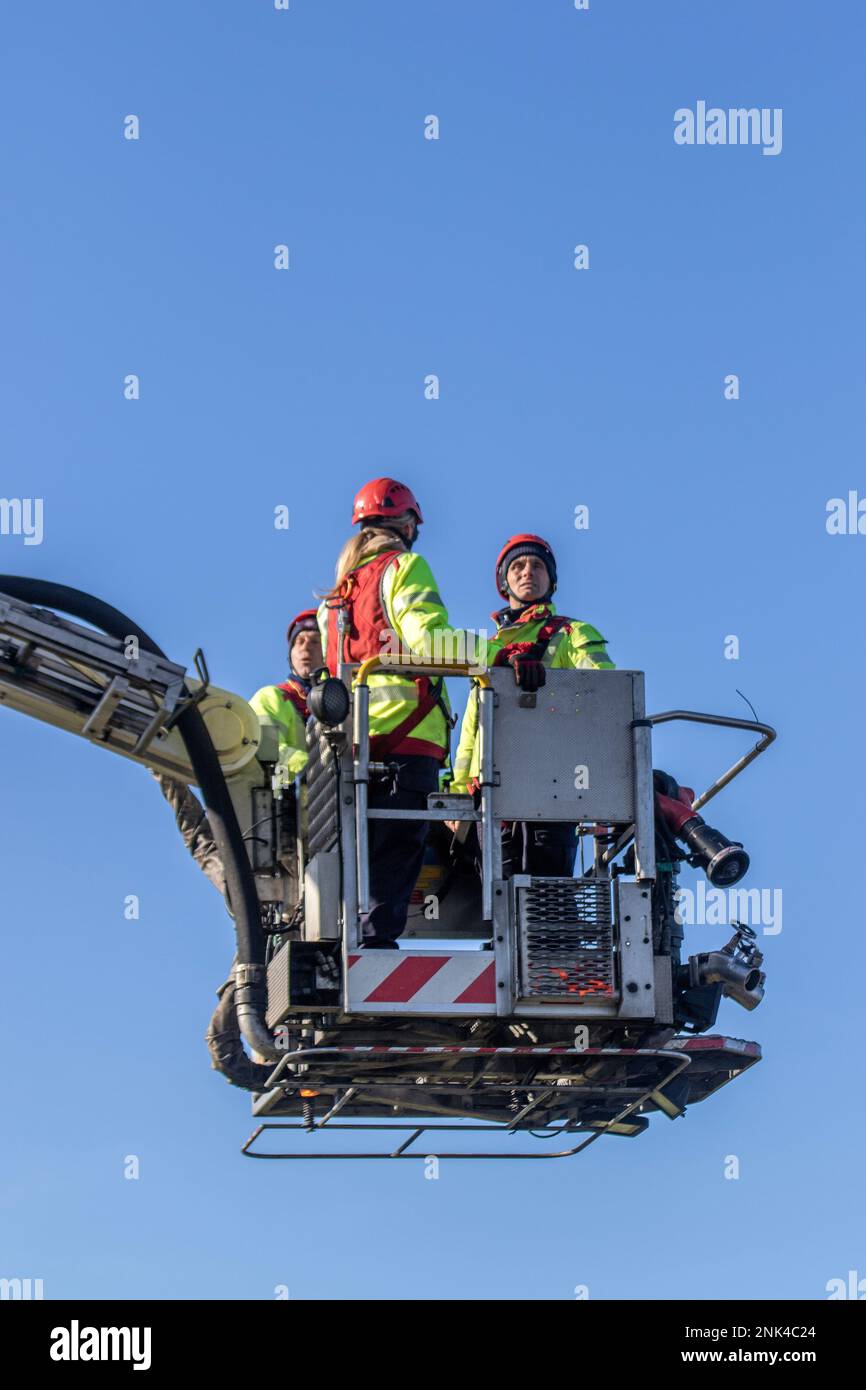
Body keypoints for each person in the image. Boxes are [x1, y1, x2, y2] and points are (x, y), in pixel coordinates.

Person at [318, 476, 479, 948]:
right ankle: (378, 942)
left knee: (361, 845)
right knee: (400, 845)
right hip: (409, 736)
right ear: (408, 524)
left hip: (353, 738)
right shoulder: (404, 567)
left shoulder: (336, 596)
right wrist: (494, 655)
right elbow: (431, 642)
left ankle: (353, 937)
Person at [448, 533, 614, 878]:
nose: (528, 572)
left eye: (538, 566)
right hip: (489, 798)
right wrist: (458, 791)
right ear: (503, 581)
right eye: (518, 566)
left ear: (551, 579)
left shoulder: (571, 634)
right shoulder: (489, 649)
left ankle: (551, 934)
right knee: (500, 904)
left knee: (547, 901)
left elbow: (606, 696)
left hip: (551, 786)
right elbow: (472, 730)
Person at [248, 609, 322, 788]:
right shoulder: (273, 697)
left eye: (315, 641)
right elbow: (268, 754)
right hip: (284, 801)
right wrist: (315, 767)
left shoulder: (342, 700)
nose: (305, 647)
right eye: (299, 642)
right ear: (290, 655)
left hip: (336, 800)